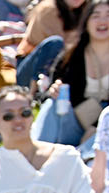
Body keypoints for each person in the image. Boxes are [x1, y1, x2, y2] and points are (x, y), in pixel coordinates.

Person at [34, 0, 109, 151]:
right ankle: (37, 155)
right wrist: (55, 90)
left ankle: (81, 158)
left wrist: (96, 127)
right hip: (76, 122)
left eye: (108, 15)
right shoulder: (73, 55)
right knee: (53, 104)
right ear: (86, 22)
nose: (103, 21)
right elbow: (48, 92)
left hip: (104, 128)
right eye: (96, 15)